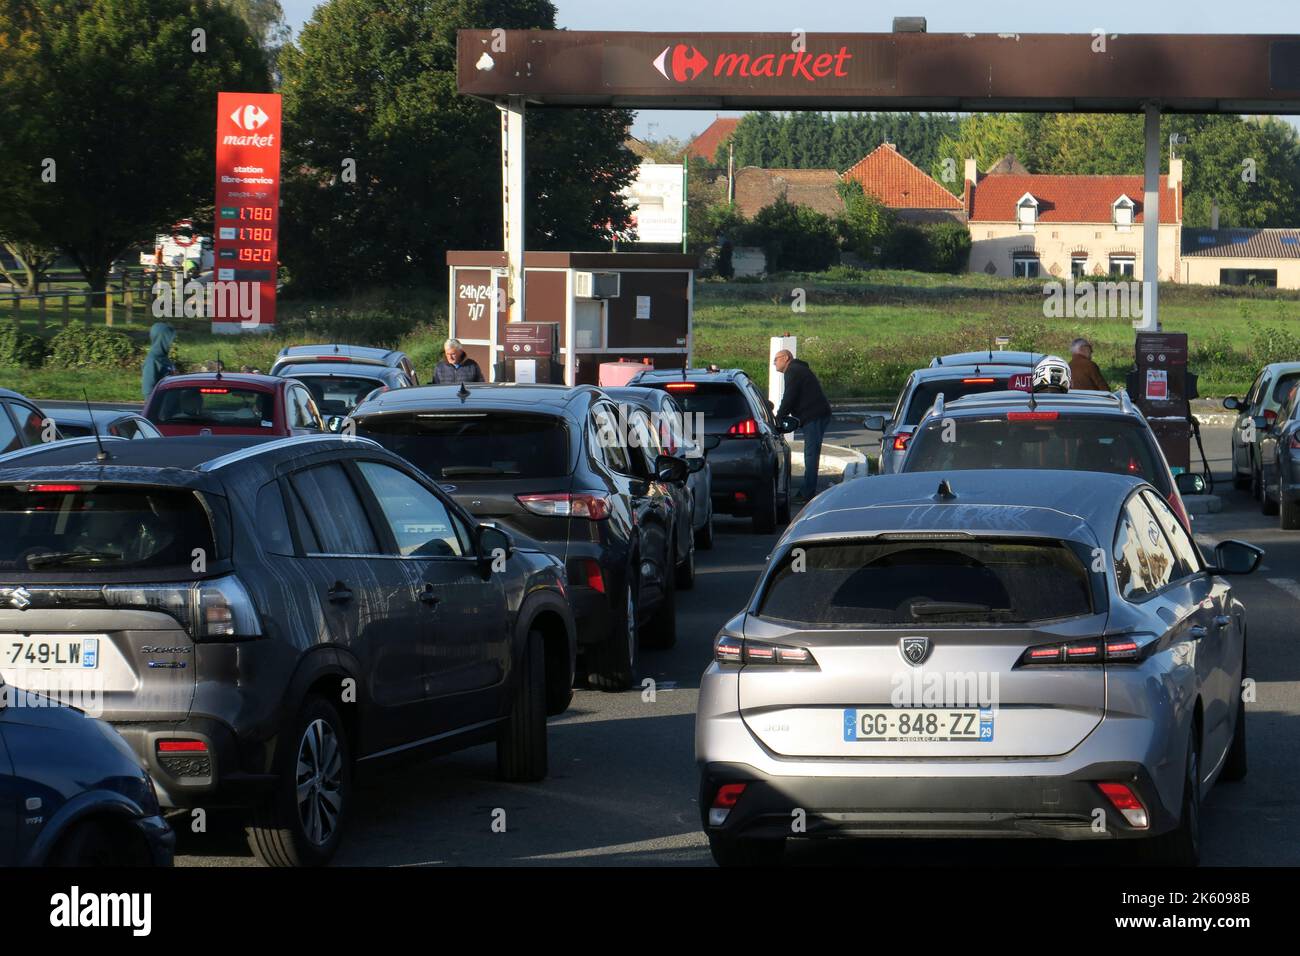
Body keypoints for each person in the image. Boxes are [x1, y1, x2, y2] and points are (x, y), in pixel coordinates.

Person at [773, 349, 833, 502]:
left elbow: (789, 396)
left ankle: (808, 492)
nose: (774, 363)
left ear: (786, 358)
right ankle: (807, 490)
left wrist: (778, 417)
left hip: (814, 415)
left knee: (811, 453)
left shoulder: (793, 370)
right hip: (816, 414)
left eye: (776, 359)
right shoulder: (797, 369)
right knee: (811, 452)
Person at [141, 322, 176, 399]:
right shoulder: (153, 360)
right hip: (162, 409)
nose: (172, 343)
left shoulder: (165, 359)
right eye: (169, 339)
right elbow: (148, 391)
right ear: (162, 339)